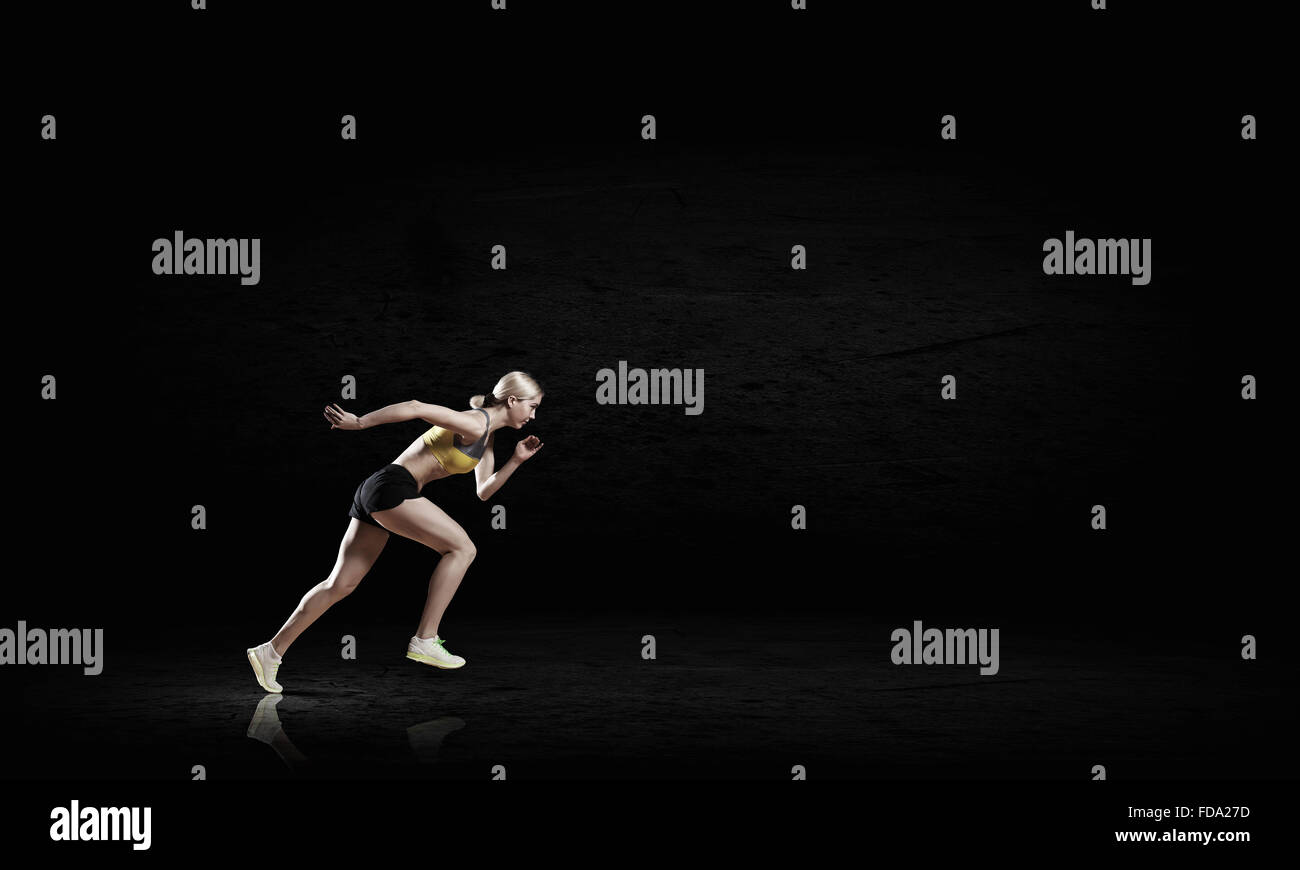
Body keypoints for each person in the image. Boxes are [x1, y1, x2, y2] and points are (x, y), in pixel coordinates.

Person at [245, 371, 544, 693]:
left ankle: (270, 650)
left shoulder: (487, 438)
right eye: (532, 406)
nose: (533, 415)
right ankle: (425, 639)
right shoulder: (474, 423)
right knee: (463, 549)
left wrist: (515, 461)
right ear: (512, 401)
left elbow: (483, 492)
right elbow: (416, 406)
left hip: (379, 489)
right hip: (393, 487)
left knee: (340, 584)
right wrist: (359, 422)